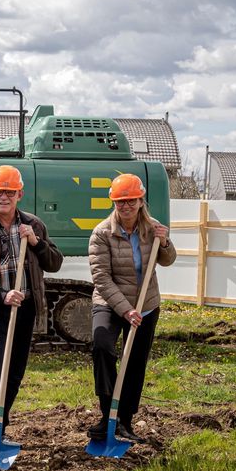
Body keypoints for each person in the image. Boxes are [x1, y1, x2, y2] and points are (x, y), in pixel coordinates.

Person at [0, 164, 64, 445]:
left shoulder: (34, 225)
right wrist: (0, 294)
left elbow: (54, 262)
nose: (3, 197)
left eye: (9, 192)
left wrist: (37, 242)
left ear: (19, 194)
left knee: (15, 369)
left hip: (24, 309)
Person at [87, 173, 176, 441]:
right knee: (102, 346)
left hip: (146, 305)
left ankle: (124, 420)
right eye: (119, 201)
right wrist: (125, 309)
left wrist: (166, 242)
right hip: (111, 303)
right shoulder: (102, 233)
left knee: (135, 363)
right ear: (113, 202)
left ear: (140, 200)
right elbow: (101, 277)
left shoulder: (153, 228)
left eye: (130, 200)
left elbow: (168, 260)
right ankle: (108, 414)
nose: (125, 206)